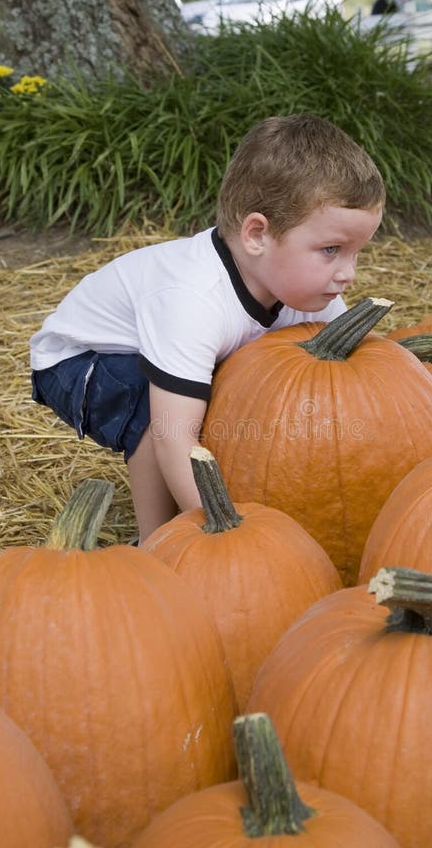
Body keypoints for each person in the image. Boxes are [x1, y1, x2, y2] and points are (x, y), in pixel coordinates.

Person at [30, 113, 385, 543]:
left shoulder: (310, 290)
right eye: (331, 250)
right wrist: (224, 537)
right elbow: (173, 436)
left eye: (355, 253)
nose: (348, 273)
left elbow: (365, 378)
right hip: (81, 360)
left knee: (217, 390)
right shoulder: (194, 300)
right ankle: (158, 543)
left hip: (159, 344)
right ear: (257, 235)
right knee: (158, 415)